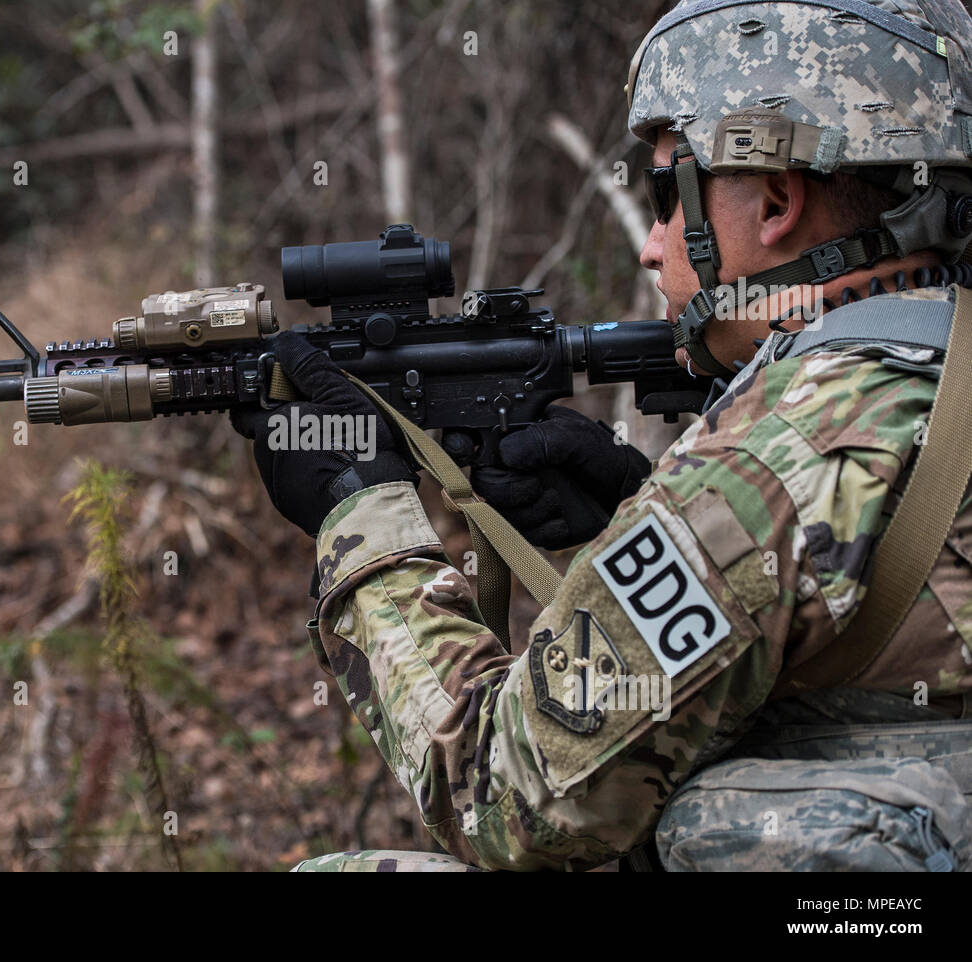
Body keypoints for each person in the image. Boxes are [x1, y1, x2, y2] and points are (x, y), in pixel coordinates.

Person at [233, 0, 972, 871]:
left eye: (668, 194)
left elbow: (503, 795)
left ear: (776, 198)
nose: (652, 247)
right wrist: (632, 511)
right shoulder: (930, 377)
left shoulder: (761, 465)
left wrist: (361, 519)